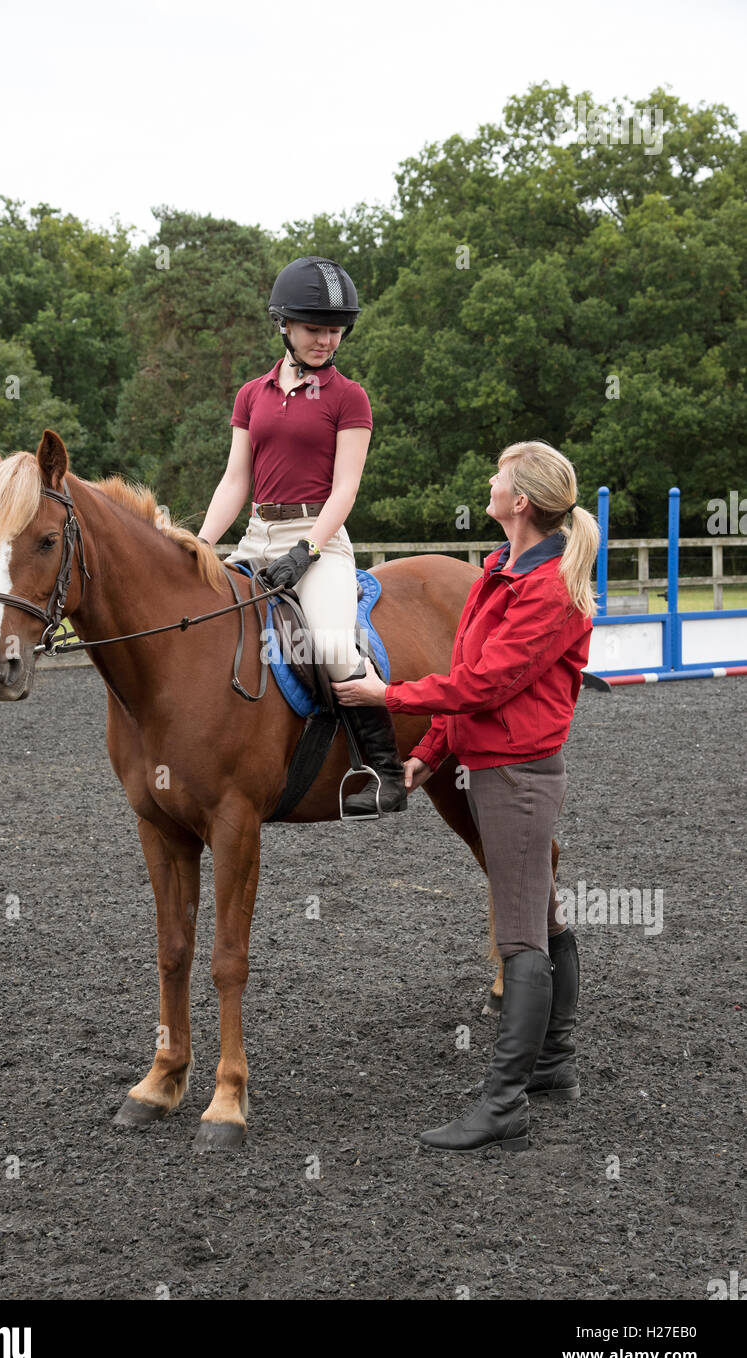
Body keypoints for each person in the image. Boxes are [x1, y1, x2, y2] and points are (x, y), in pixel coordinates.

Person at [332, 440, 599, 1151]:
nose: (487, 481)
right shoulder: (499, 570)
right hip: (490, 763)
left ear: (520, 501)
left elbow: (484, 687)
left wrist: (387, 694)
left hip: (516, 777)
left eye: (498, 477)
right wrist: (424, 754)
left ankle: (504, 1102)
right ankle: (553, 1063)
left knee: (519, 939)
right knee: (543, 918)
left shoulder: (544, 591)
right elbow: (470, 675)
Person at [198, 255, 406, 815]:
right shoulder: (251, 395)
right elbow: (235, 479)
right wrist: (199, 544)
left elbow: (345, 490)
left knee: (336, 645)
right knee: (200, 620)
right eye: (315, 329)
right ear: (283, 325)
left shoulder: (349, 397)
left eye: (335, 331)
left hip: (320, 536)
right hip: (257, 534)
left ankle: (382, 771)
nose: (326, 340)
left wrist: (307, 549)